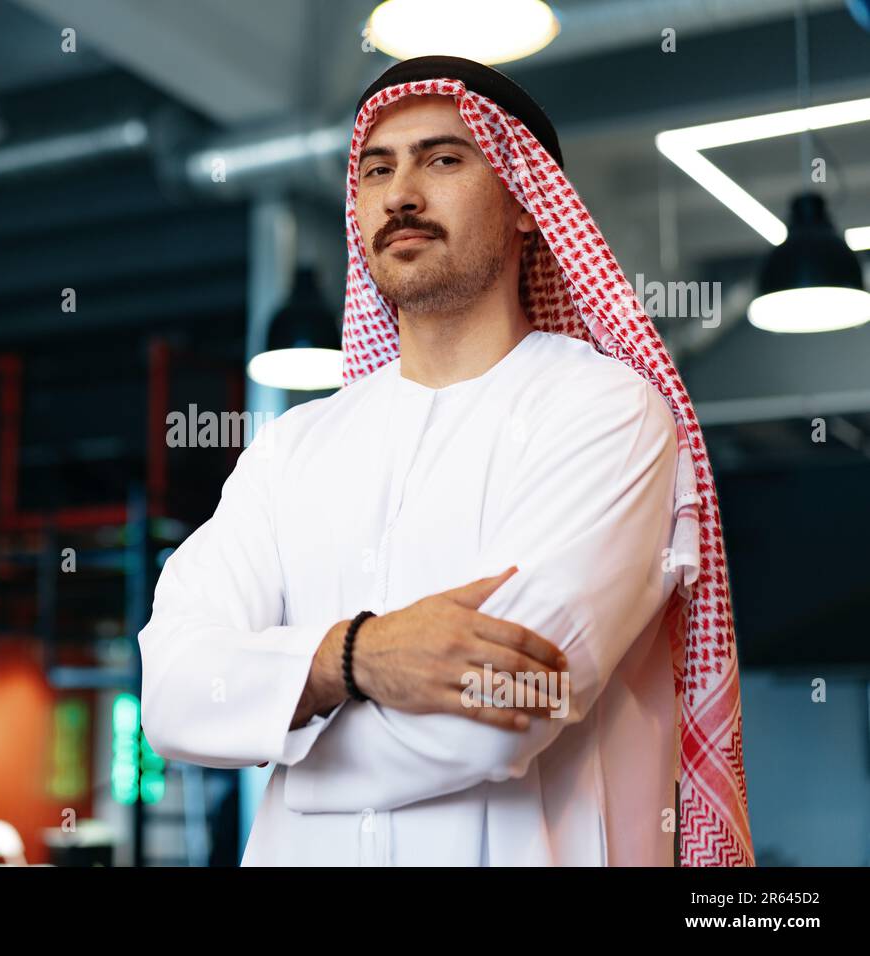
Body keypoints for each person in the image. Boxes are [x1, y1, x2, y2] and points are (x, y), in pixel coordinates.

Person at [137, 56, 753, 867]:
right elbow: (175, 694)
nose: (400, 194)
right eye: (377, 169)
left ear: (527, 202)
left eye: (444, 159)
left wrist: (284, 737)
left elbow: (504, 716)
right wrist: (354, 657)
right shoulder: (293, 447)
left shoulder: (606, 410)